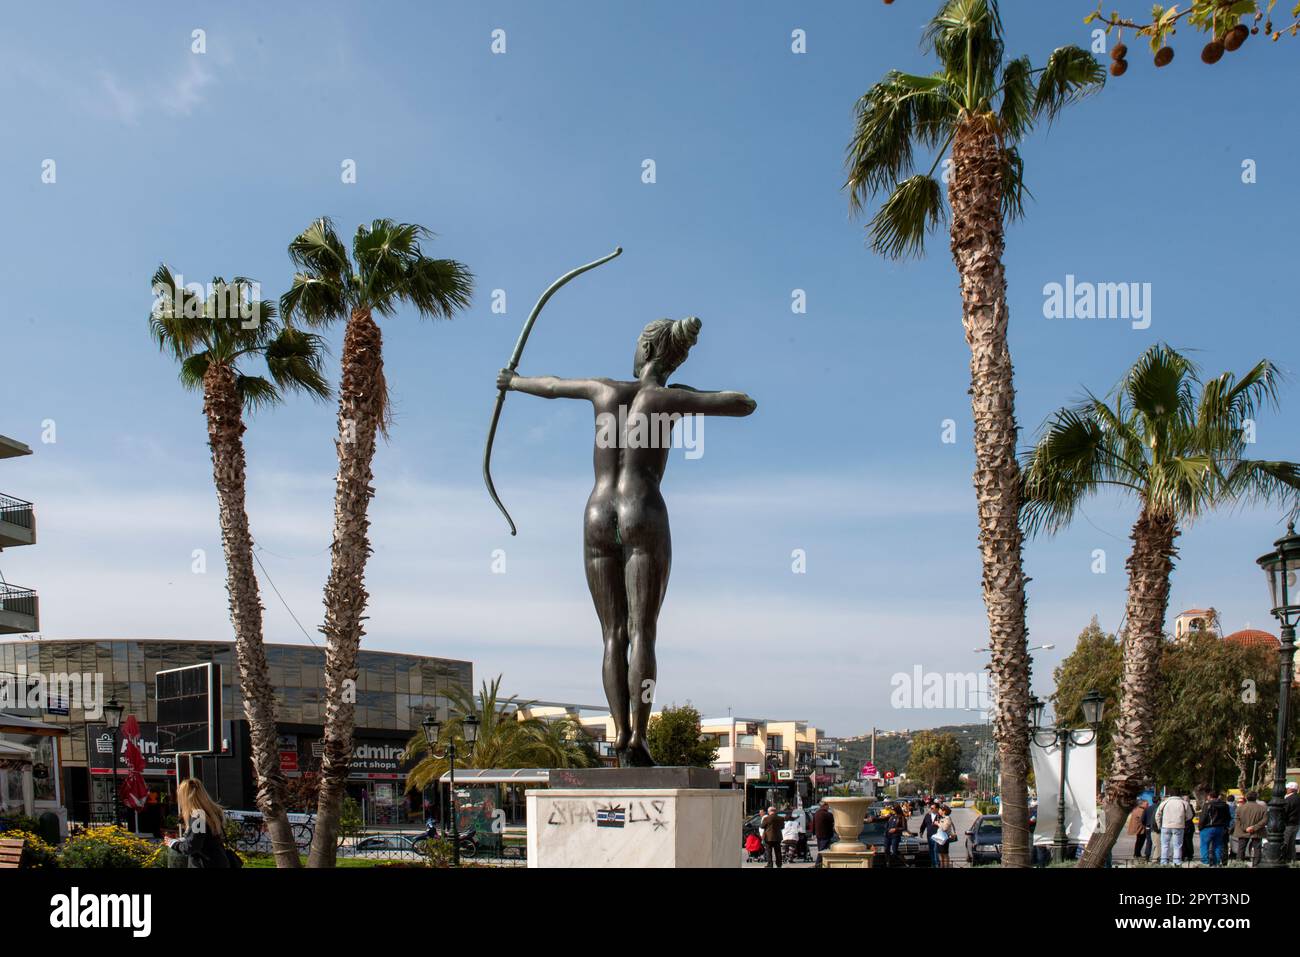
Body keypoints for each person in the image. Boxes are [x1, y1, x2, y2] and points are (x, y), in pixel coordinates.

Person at [497, 318, 756, 766]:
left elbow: (554, 385)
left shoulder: (603, 390)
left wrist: (514, 382)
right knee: (643, 632)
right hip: (642, 509)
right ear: (672, 358)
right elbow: (740, 403)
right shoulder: (667, 398)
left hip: (597, 511)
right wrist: (699, 397)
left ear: (645, 350)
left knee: (612, 634)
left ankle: (618, 732)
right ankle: (637, 735)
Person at [167, 778, 230, 868]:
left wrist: (173, 843)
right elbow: (202, 838)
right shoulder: (213, 811)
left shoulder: (198, 816)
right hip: (218, 861)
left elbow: (192, 846)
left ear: (185, 797)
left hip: (205, 863)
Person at [1154, 790, 1192, 865]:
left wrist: (1159, 825)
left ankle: (1164, 862)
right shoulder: (1184, 803)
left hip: (1165, 826)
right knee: (1177, 845)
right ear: (1180, 795)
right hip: (1179, 826)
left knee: (1164, 845)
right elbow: (1189, 816)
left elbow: (1157, 815)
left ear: (1170, 795)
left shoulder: (1165, 802)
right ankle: (1177, 862)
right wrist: (1182, 820)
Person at [1233, 791, 1267, 867]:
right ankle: (1256, 865)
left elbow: (1237, 820)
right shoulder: (1262, 809)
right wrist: (1254, 828)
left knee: (1241, 849)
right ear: (1256, 798)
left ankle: (1239, 864)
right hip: (1257, 831)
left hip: (1243, 831)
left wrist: (1246, 828)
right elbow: (1265, 820)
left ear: (1246, 798)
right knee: (1257, 849)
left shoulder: (1240, 808)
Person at [1198, 790, 1230, 866]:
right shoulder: (1225, 805)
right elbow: (1228, 817)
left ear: (1209, 796)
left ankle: (1205, 862)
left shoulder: (1208, 805)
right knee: (1218, 845)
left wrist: (1200, 827)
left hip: (1208, 827)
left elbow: (1203, 817)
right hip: (1220, 828)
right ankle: (1217, 862)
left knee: (1204, 845)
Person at [918, 802, 941, 867]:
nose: (931, 809)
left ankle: (937, 864)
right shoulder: (927, 815)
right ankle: (933, 864)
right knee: (931, 850)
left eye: (932, 808)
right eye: (930, 808)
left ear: (937, 809)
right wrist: (921, 831)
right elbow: (924, 824)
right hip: (929, 835)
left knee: (936, 850)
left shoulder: (940, 815)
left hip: (937, 836)